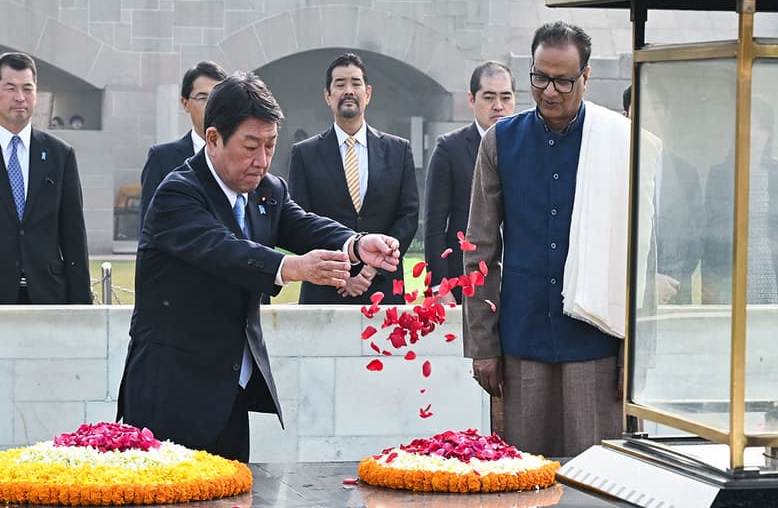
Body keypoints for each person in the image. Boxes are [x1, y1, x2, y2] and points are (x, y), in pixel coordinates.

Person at [118, 72, 401, 462]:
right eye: (251, 146)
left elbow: (302, 225)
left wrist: (355, 244)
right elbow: (224, 251)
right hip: (171, 390)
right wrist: (294, 267)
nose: (262, 161)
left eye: (270, 146)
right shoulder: (178, 193)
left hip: (230, 390)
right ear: (213, 138)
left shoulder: (267, 189)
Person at [464, 21, 633, 457]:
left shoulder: (617, 141)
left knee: (596, 480)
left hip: (597, 339)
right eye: (540, 78)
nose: (550, 91)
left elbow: (637, 253)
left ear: (587, 77)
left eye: (563, 80)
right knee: (521, 477)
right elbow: (480, 249)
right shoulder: (500, 142)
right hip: (522, 338)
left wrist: (634, 352)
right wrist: (483, 346)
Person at [0, 52, 90, 304]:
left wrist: (83, 309)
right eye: (10, 88)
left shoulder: (60, 155)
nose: (20, 97)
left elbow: (74, 236)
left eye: (27, 89)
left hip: (48, 296)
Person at [289, 53, 418, 305]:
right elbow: (300, 221)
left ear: (367, 93)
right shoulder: (305, 154)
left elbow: (408, 216)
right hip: (325, 291)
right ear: (327, 95)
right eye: (340, 84)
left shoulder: (398, 150)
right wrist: (341, 273)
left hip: (384, 289)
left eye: (355, 83)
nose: (348, 90)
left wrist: (373, 267)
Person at [424, 61, 516, 303]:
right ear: (472, 99)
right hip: (464, 278)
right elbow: (434, 225)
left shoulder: (526, 147)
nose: (498, 106)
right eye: (489, 97)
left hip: (516, 279)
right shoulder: (449, 148)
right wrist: (440, 289)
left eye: (506, 97)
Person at [700, 101, 778, 304]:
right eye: (749, 125)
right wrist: (710, 288)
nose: (755, 134)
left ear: (769, 134)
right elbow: (710, 240)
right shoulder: (720, 176)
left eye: (762, 127)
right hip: (731, 282)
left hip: (776, 281)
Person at [622, 85, 702, 304]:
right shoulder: (616, 167)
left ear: (666, 114)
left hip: (674, 292)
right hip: (626, 295)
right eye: (642, 107)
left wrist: (669, 281)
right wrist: (647, 280)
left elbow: (696, 237)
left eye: (656, 107)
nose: (650, 114)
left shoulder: (687, 172)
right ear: (625, 116)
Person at [139, 61, 228, 230]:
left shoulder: (240, 155)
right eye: (203, 98)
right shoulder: (161, 158)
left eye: (217, 98)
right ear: (185, 103)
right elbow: (148, 227)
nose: (211, 106)